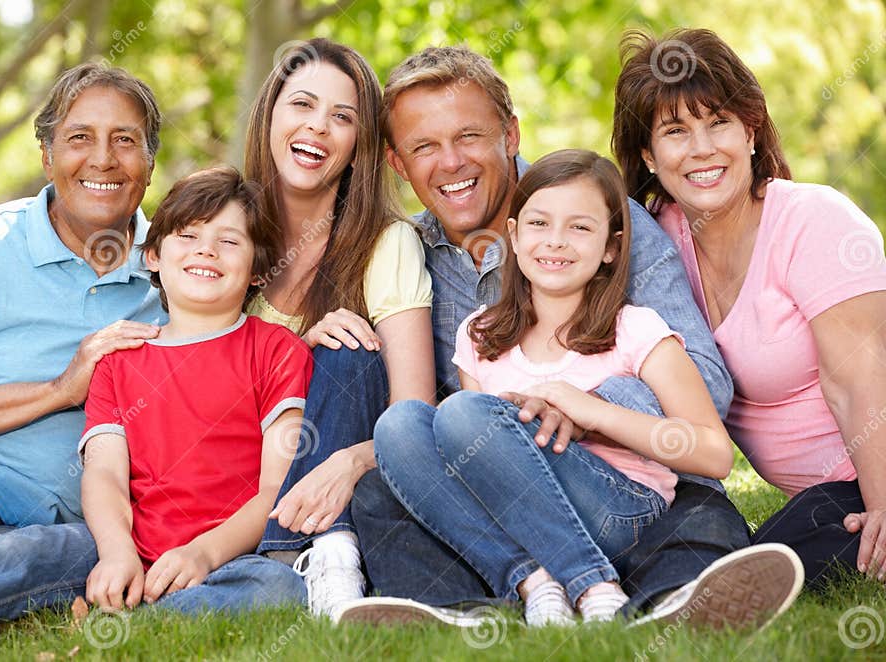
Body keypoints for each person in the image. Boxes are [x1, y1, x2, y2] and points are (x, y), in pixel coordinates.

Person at [347, 45, 803, 629]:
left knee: (697, 517)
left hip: (625, 478)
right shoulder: (407, 258)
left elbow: (707, 393)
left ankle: (648, 598)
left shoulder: (609, 220)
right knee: (385, 491)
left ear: (510, 135)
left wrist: (575, 410)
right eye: (424, 147)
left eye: (469, 136)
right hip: (501, 488)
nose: (451, 162)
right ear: (396, 163)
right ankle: (479, 608)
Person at [0, 167, 311, 624]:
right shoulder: (120, 357)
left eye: (230, 242)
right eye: (188, 236)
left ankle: (149, 618)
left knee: (277, 585)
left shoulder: (276, 350)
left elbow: (275, 488)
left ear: (256, 269)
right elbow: (106, 474)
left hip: (228, 551)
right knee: (38, 548)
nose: (206, 250)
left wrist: (203, 555)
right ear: (151, 255)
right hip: (126, 542)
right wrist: (115, 553)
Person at [375, 149, 737, 626]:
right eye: (540, 224)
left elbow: (715, 455)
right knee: (400, 424)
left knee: (465, 413)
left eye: (581, 227)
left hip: (620, 509)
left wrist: (589, 410)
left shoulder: (636, 329)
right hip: (521, 522)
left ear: (611, 245)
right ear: (514, 236)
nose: (557, 242)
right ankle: (536, 583)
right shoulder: (478, 337)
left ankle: (594, 586)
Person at [612, 28, 886, 590]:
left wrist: (883, 507)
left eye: (718, 123)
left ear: (751, 131)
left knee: (756, 567)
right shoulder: (656, 246)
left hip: (872, 473)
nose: (702, 149)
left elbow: (859, 380)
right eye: (675, 132)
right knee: (740, 557)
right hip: (825, 497)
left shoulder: (813, 220)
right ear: (648, 155)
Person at [0, 63, 165, 573]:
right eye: (79, 137)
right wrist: (61, 388)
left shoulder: (177, 270)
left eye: (125, 140)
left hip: (38, 530)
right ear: (47, 157)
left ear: (150, 163)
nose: (102, 160)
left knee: (89, 548)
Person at [242, 38, 436, 616]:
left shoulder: (386, 242)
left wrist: (348, 461)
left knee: (350, 353)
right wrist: (293, 351)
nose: (319, 127)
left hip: (346, 480)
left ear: (359, 147)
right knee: (323, 349)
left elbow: (413, 413)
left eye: (343, 117)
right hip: (237, 466)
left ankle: (318, 556)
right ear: (270, 115)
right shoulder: (225, 230)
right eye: (302, 105)